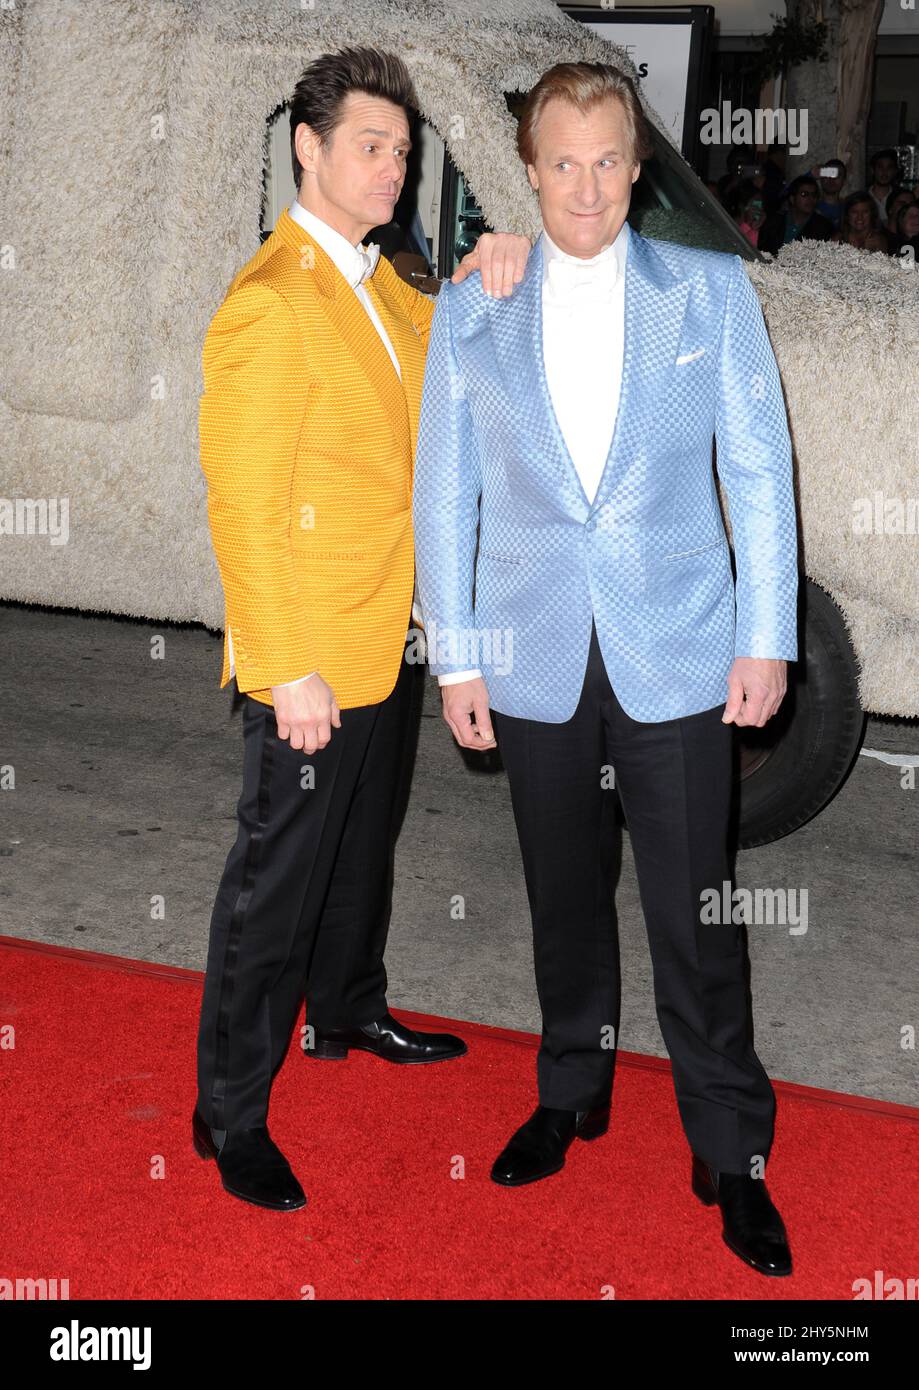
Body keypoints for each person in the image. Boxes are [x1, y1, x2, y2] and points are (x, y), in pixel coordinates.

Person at [413, 61, 799, 1278]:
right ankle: (569, 1084)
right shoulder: (475, 305)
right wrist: (457, 659)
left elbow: (758, 468)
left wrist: (766, 633)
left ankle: (728, 1144)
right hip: (530, 656)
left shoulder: (709, 291)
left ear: (638, 170)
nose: (584, 186)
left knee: (698, 911)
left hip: (679, 649)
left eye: (606, 160)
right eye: (560, 162)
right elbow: (446, 492)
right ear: (528, 173)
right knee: (561, 898)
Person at [194, 45, 530, 1212]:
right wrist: (285, 669)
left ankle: (346, 1009)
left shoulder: (386, 287)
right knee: (273, 883)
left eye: (401, 148)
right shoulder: (270, 300)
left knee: (360, 852)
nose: (392, 168)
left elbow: (453, 373)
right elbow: (243, 506)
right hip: (309, 653)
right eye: (370, 147)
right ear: (309, 147)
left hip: (389, 631)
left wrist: (500, 271)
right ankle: (229, 1111)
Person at [758, 174, 834, 255]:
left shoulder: (823, 227)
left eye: (814, 195)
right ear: (792, 199)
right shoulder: (774, 222)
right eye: (804, 194)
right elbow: (761, 251)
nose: (810, 199)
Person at [867, 148, 902, 224]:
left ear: (895, 171)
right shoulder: (864, 196)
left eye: (889, 167)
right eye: (880, 167)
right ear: (872, 170)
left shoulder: (900, 197)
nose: (884, 172)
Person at [812, 157, 846, 231]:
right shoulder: (810, 205)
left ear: (844, 181)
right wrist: (811, 175)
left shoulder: (848, 208)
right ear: (821, 178)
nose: (831, 179)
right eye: (828, 174)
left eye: (837, 175)